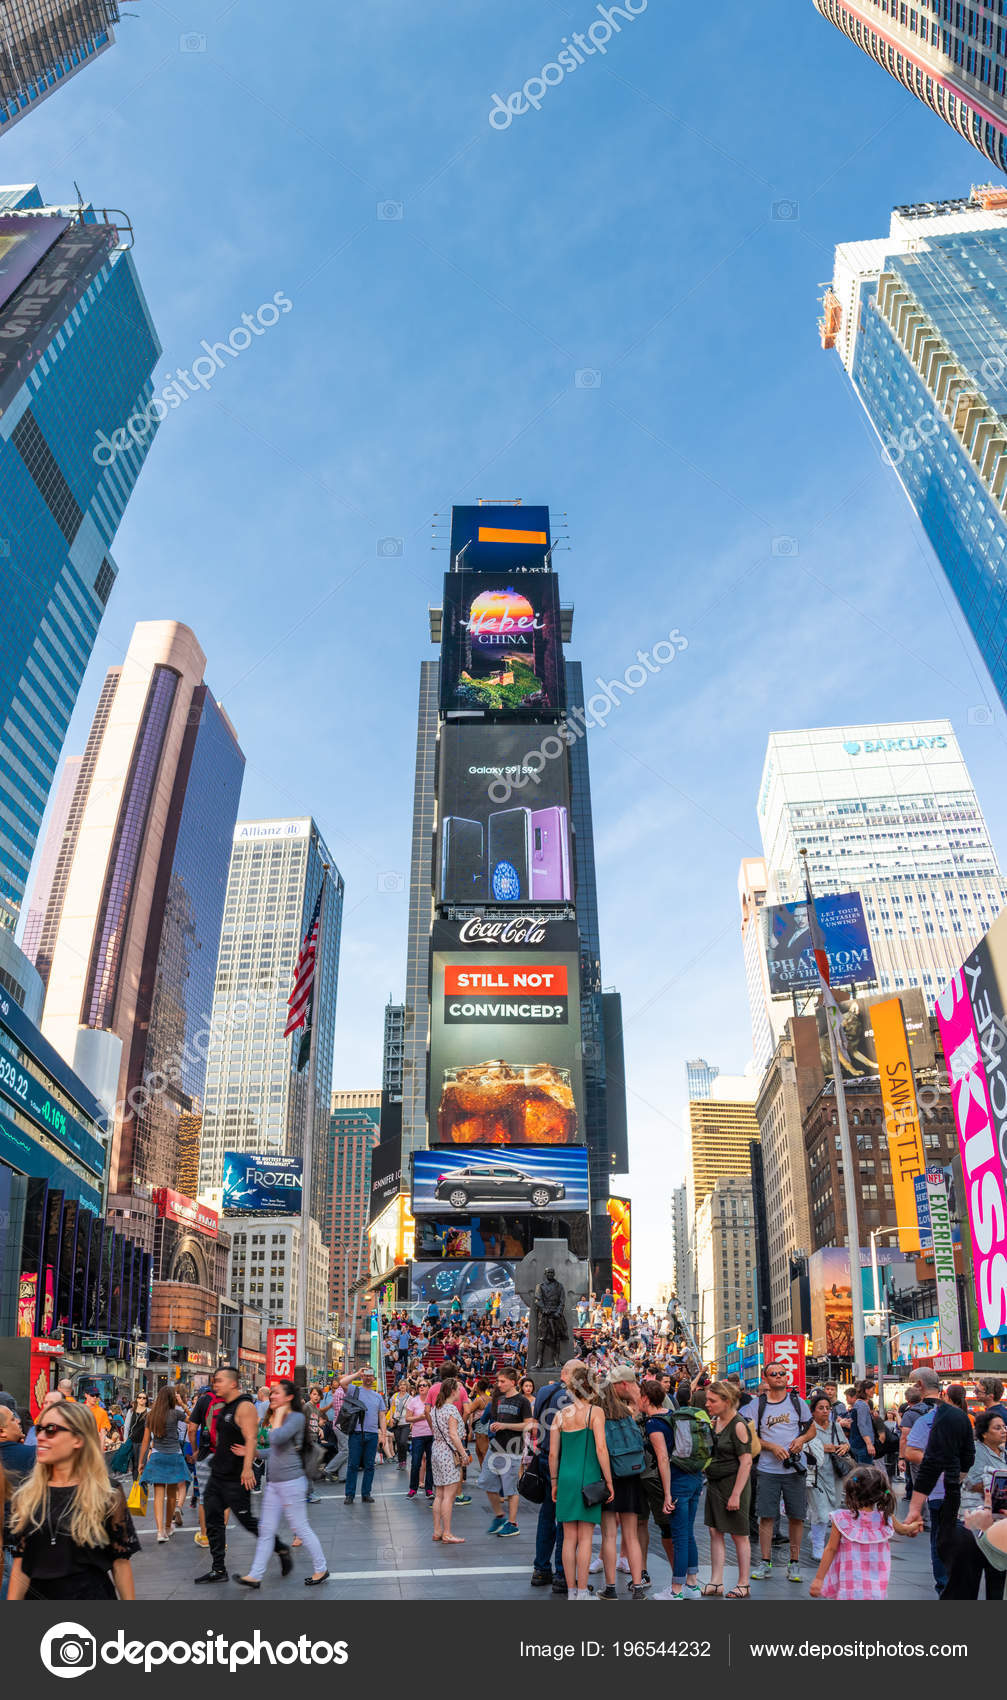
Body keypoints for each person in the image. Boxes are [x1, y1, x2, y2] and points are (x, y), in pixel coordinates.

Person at [6, 1401, 139, 1600]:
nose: (40, 1436)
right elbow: (20, 1565)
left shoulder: (107, 1493)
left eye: (51, 1430)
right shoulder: (26, 1495)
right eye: (39, 1428)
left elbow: (120, 1563)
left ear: (77, 1439)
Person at [194, 1365, 291, 1585]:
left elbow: (251, 1439)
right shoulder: (225, 1406)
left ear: (233, 1383)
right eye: (214, 1380)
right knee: (213, 1519)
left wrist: (247, 1469)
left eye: (219, 1380)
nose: (215, 1384)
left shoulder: (244, 1406)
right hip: (217, 1474)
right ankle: (218, 1569)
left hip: (235, 1477)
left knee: (247, 1521)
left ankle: (281, 1549)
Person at [234, 1380, 328, 1587]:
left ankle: (321, 1569)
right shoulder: (280, 1417)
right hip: (274, 1483)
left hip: (292, 1482)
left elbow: (276, 1439)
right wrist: (253, 1452)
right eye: (272, 1393)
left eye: (276, 1393)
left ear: (289, 1397)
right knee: (266, 1530)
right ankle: (255, 1575)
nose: (272, 1396)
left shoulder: (294, 1418)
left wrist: (276, 1416)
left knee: (301, 1528)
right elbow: (274, 1452)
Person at [743, 1361, 815, 1584]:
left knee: (796, 1517)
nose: (779, 1377)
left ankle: (794, 1563)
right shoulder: (757, 1405)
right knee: (766, 1516)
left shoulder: (797, 1402)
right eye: (774, 1374)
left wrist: (800, 1440)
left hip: (794, 1469)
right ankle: (765, 1562)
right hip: (767, 1470)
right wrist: (771, 1446)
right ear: (766, 1379)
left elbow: (811, 1429)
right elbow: (746, 1432)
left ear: (787, 1377)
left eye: (782, 1373)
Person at [905, 1381, 976, 1596]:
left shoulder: (937, 1420)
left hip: (946, 1493)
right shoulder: (962, 1419)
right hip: (952, 1494)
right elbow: (967, 1458)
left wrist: (915, 1508)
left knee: (943, 1539)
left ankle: (946, 1587)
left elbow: (931, 1463)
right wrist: (957, 1476)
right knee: (949, 1539)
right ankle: (948, 1586)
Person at [809, 1464, 922, 1599]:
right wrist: (916, 1525)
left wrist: (819, 1579)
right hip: (875, 1585)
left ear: (851, 1493)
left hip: (850, 1582)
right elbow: (904, 1530)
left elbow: (831, 1549)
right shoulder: (885, 1517)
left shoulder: (841, 1518)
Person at [549, 1361, 613, 1598]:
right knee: (586, 1537)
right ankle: (583, 1591)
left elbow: (554, 1454)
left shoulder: (559, 1415)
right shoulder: (596, 1413)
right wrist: (609, 1481)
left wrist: (554, 1481)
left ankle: (571, 1589)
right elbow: (601, 1449)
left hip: (565, 1477)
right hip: (589, 1477)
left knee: (568, 1537)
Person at [700, 1379, 752, 1598]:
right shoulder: (715, 1422)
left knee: (739, 1534)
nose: (708, 1404)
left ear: (726, 1400)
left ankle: (743, 1582)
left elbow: (746, 1462)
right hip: (716, 1483)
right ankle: (716, 1580)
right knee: (715, 1531)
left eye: (712, 1400)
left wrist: (736, 1494)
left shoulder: (738, 1424)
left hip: (733, 1484)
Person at [596, 1377, 646, 1600]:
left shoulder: (598, 1417)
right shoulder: (627, 1414)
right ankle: (637, 1586)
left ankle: (610, 1588)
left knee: (608, 1535)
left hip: (610, 1478)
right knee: (631, 1535)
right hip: (631, 1477)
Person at [530, 1367, 574, 1593]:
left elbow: (536, 1420)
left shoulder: (545, 1391)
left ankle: (540, 1569)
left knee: (547, 1515)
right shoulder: (573, 1397)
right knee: (564, 1518)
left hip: (545, 1455)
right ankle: (562, 1574)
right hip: (564, 1459)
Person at [481, 1366, 534, 1539]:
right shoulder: (500, 1399)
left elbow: (528, 1424)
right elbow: (498, 1420)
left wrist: (505, 1426)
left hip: (512, 1450)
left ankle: (512, 1523)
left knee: (510, 1489)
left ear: (513, 1382)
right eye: (498, 1381)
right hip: (495, 1447)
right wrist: (494, 1426)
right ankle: (499, 1516)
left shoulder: (523, 1401)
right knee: (486, 1481)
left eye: (502, 1381)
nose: (499, 1384)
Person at [137, 1386, 191, 1542]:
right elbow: (194, 1420)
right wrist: (184, 1405)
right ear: (171, 1399)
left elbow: (145, 1441)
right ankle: (168, 1527)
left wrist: (141, 1462)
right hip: (174, 1455)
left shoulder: (151, 1415)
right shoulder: (176, 1413)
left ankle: (160, 1531)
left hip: (157, 1456)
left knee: (158, 1494)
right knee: (171, 1495)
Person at [336, 1366, 391, 1504]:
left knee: (369, 1466)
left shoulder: (378, 1396)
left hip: (372, 1434)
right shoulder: (355, 1390)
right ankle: (350, 1494)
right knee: (353, 1465)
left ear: (374, 1378)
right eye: (365, 1375)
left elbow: (382, 1417)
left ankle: (366, 1493)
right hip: (356, 1433)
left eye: (370, 1375)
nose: (368, 1377)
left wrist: (383, 1435)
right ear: (362, 1377)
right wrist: (357, 1373)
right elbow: (342, 1382)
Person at [805, 1389, 849, 1561]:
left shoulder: (836, 1427)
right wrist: (823, 1448)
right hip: (815, 1474)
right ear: (813, 1411)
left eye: (827, 1408)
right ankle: (818, 1546)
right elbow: (801, 1446)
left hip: (835, 1474)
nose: (825, 1411)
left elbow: (845, 1443)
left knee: (832, 1510)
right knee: (820, 1511)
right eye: (821, 1408)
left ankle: (815, 1535)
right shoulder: (808, 1428)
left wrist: (845, 1447)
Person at [429, 1371, 469, 1544]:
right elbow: (453, 1435)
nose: (461, 1391)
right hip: (448, 1452)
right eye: (459, 1388)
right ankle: (447, 1532)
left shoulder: (435, 1409)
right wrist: (464, 1454)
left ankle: (437, 1530)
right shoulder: (451, 1409)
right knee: (449, 1496)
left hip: (436, 1450)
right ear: (453, 1391)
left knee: (439, 1494)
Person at [406, 1375, 435, 1498]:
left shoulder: (433, 1401)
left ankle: (429, 1489)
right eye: (420, 1386)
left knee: (430, 1463)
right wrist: (420, 1417)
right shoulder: (413, 1401)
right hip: (418, 1435)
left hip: (431, 1435)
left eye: (424, 1385)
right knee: (416, 1463)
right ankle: (413, 1488)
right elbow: (407, 1418)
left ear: (429, 1387)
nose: (421, 1387)